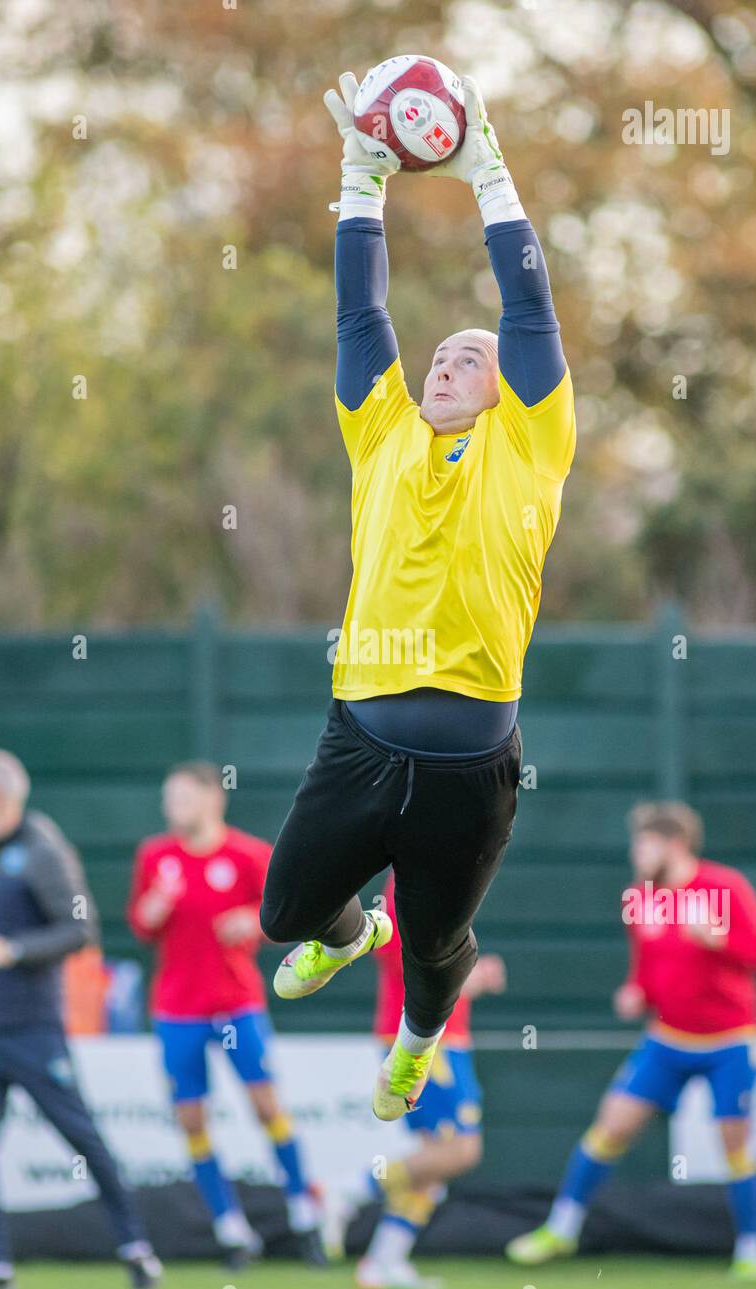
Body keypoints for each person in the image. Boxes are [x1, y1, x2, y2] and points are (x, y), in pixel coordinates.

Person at [260, 71, 575, 1124]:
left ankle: (419, 1037)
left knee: (440, 946)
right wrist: (362, 179)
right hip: (361, 732)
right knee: (286, 914)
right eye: (437, 354)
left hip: (470, 756)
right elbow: (361, 310)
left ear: (504, 389)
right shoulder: (381, 432)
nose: (444, 363)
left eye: (467, 358)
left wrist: (486, 171)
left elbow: (526, 307)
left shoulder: (529, 449)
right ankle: (356, 934)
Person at [0, 749, 161, 1289]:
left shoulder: (43, 851)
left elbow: (79, 929)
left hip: (33, 1030)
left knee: (82, 1139)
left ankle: (135, 1246)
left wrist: (15, 949)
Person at [507, 801, 756, 1279]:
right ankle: (562, 1227)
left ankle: (755, 1250)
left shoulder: (724, 886)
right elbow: (648, 970)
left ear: (673, 845)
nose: (636, 852)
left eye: (644, 843)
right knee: (611, 1126)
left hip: (729, 1041)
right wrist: (637, 992)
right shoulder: (641, 896)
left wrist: (721, 940)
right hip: (667, 1039)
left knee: (735, 1145)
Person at [127, 762, 323, 1267]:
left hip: (236, 1004)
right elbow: (141, 927)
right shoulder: (156, 856)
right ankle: (231, 1229)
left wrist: (252, 921)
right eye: (169, 800)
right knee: (191, 1117)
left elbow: (282, 917)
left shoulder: (249, 854)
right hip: (178, 1009)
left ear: (214, 800)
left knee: (266, 1107)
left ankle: (305, 1216)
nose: (174, 810)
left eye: (184, 799)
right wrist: (153, 907)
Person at [323, 872, 505, 1289]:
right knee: (460, 1151)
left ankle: (382, 1261)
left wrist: (470, 979)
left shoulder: (439, 875)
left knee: (434, 1160)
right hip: (420, 1038)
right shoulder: (414, 879)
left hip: (444, 1033)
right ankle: (350, 1190)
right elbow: (415, 960)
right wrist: (471, 976)